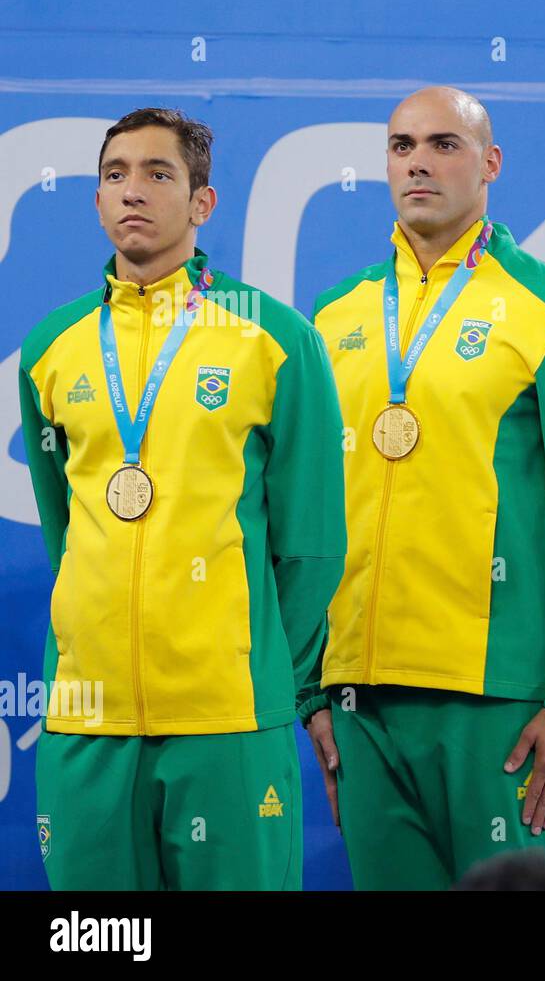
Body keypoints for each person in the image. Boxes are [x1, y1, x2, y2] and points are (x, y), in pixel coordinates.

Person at [300, 87, 545, 889]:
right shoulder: (333, 315)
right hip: (361, 698)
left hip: (505, 704)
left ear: (490, 164)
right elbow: (308, 518)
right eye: (401, 145)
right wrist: (311, 685)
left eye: (444, 144)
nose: (418, 160)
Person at [19, 108, 345, 889]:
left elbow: (313, 543)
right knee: (103, 944)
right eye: (115, 174)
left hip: (227, 717)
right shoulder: (51, 349)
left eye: (159, 174)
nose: (133, 191)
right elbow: (67, 533)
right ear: (96, 201)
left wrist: (249, 662)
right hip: (85, 719)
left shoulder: (274, 338)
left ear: (203, 203)